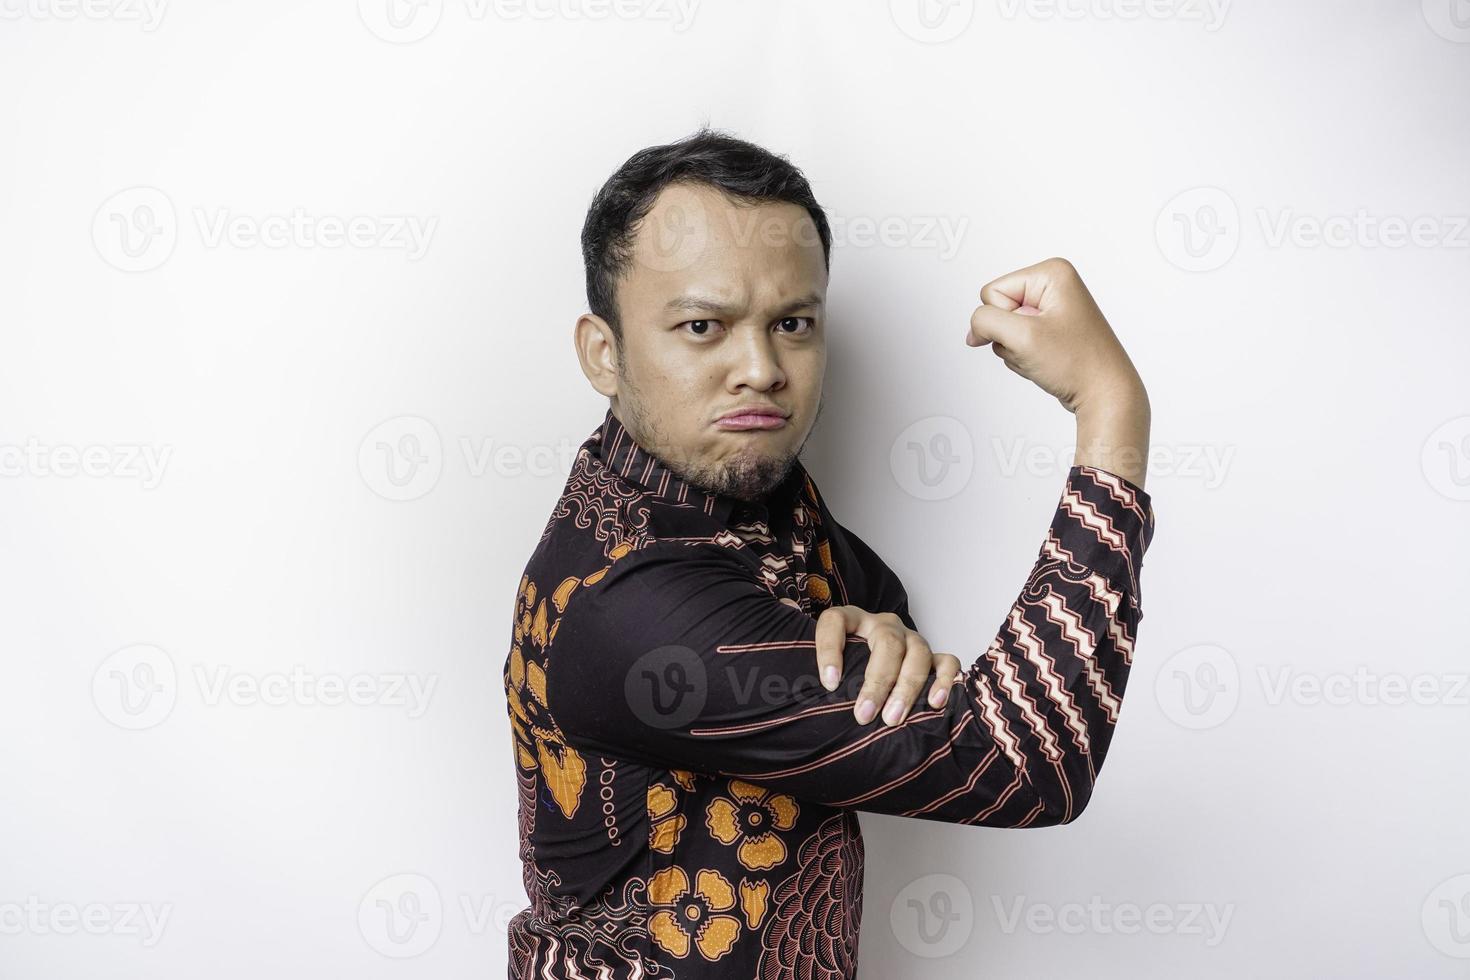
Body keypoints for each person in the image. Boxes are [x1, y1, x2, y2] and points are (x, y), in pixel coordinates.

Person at [504, 126, 1155, 979]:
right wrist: (1112, 407)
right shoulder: (627, 604)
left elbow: (881, 603)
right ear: (603, 352)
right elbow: (1025, 766)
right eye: (702, 325)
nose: (762, 368)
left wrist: (868, 624)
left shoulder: (751, 490)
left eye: (794, 323)